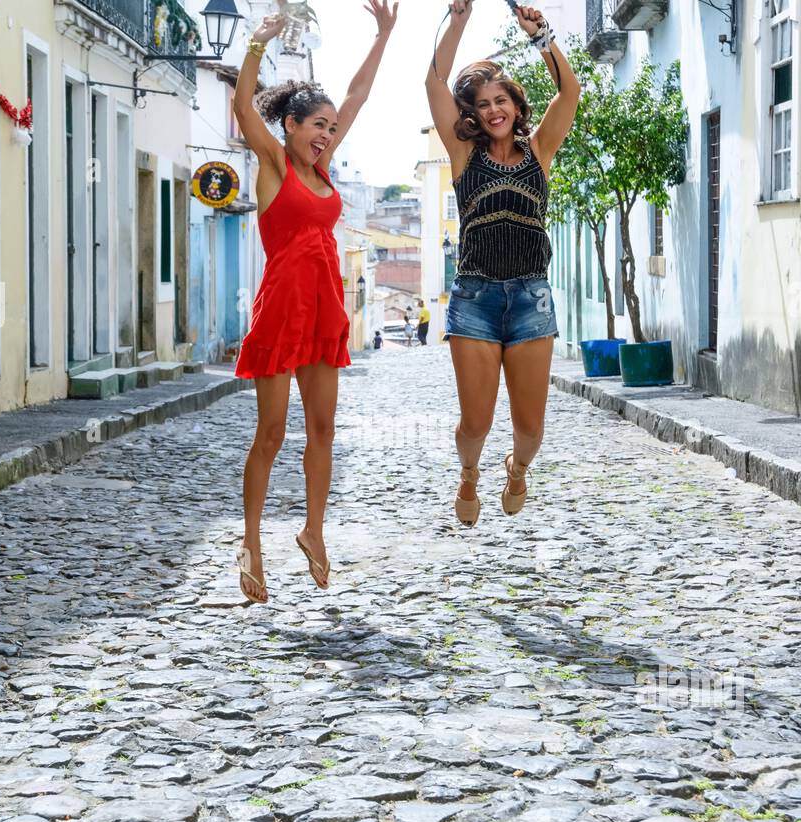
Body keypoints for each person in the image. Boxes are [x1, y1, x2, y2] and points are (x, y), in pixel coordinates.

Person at [232, 1, 399, 604]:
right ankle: (250, 545)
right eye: (317, 126)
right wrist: (255, 44)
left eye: (330, 128)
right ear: (291, 128)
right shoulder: (273, 164)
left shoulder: (324, 170)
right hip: (282, 308)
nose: (327, 133)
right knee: (271, 433)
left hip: (326, 307)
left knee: (323, 430)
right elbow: (242, 105)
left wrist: (384, 35)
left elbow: (356, 95)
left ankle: (313, 530)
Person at [425, 0, 579, 528]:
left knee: (530, 428)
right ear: (471, 115)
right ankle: (469, 475)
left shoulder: (541, 150)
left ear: (515, 102)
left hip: (532, 296)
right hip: (475, 299)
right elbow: (434, 82)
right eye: (482, 104)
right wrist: (459, 20)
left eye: (501, 99)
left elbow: (570, 92)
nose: (493, 110)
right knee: (476, 420)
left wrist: (541, 36)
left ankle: (517, 469)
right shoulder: (465, 156)